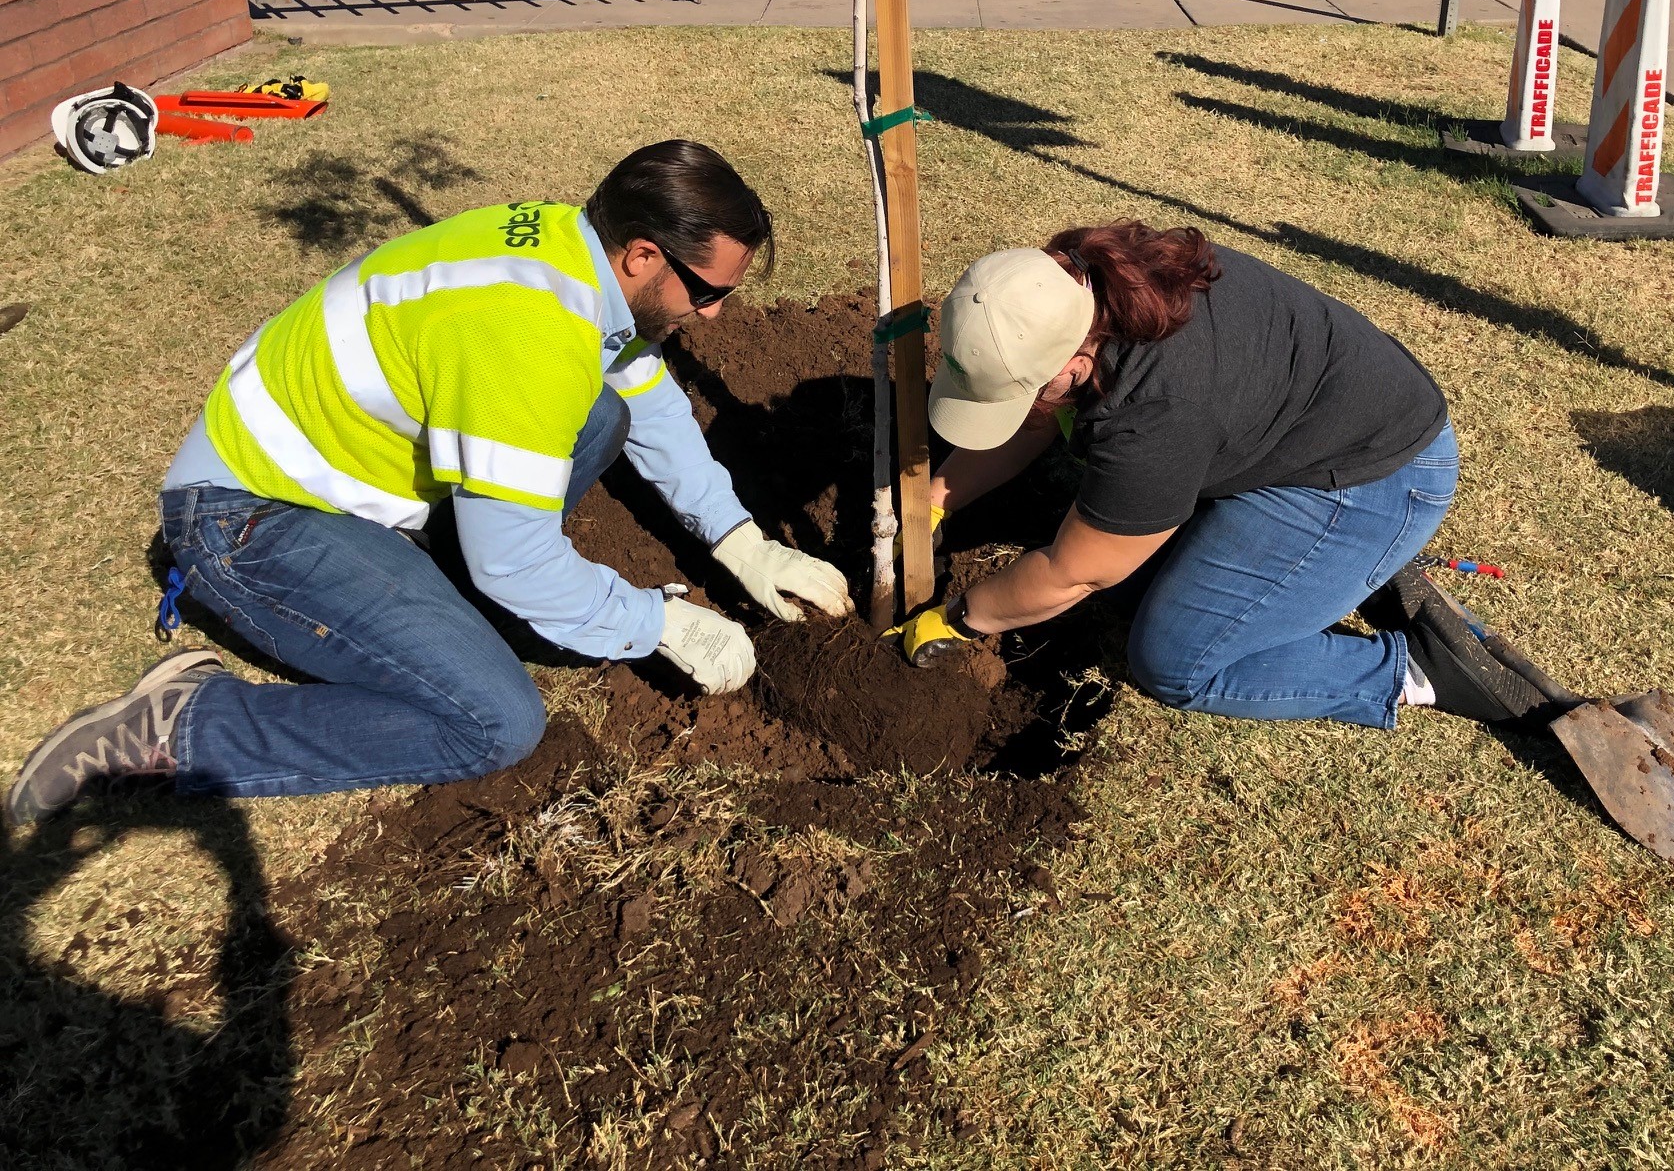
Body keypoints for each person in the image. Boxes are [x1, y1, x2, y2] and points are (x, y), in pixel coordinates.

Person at [7, 142, 850, 826]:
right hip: (254, 516)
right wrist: (655, 623)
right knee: (496, 723)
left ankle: (436, 586)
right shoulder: (526, 340)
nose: (715, 317)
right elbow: (516, 565)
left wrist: (742, 543)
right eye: (707, 294)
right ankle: (183, 725)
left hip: (344, 476)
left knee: (601, 416)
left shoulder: (569, 248)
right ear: (641, 253)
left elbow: (648, 400)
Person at [889, 221, 1549, 725]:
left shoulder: (1157, 407)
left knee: (1177, 661)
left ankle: (1415, 671)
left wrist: (962, 620)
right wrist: (937, 497)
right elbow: (1036, 418)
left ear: (1074, 364)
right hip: (1305, 431)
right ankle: (1335, 574)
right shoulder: (1079, 286)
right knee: (1139, 578)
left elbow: (1077, 571)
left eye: (1027, 388)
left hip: (1374, 479)